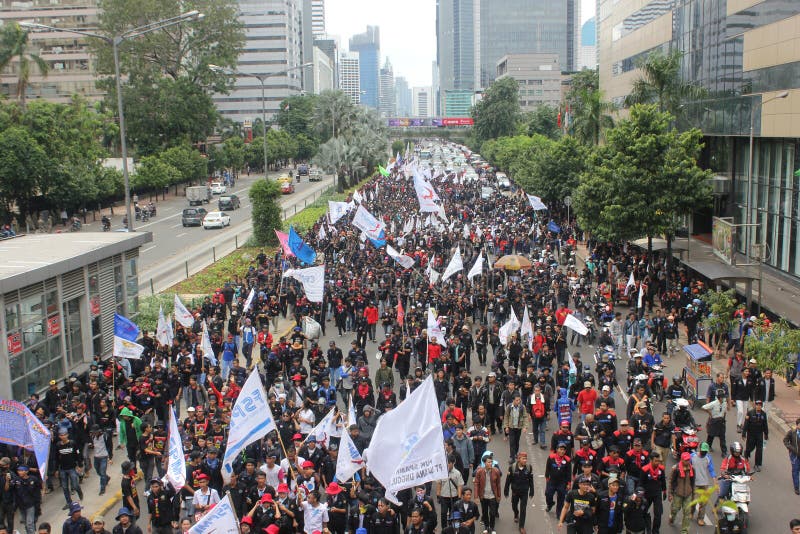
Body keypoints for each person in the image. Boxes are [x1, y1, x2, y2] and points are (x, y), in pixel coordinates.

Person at [503, 451, 534, 534]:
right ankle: (516, 514)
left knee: (523, 509)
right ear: (518, 459)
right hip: (515, 492)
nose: (525, 460)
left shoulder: (529, 467)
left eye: (526, 459)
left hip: (524, 492)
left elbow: (531, 480)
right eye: (523, 459)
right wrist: (506, 491)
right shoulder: (512, 467)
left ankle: (521, 526)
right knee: (514, 505)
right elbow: (508, 480)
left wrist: (532, 491)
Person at [473, 452, 501, 534]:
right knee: (484, 512)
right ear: (484, 463)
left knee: (492, 513)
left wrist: (499, 495)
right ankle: (486, 526)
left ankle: (492, 527)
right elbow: (476, 484)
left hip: (493, 496)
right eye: (488, 462)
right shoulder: (479, 472)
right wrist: (476, 497)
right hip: (483, 496)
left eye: (491, 462)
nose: (490, 463)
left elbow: (498, 484)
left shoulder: (496, 471)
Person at [668, 452, 695, 534]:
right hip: (677, 493)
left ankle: (684, 530)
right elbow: (671, 482)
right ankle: (672, 517)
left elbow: (693, 483)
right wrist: (670, 493)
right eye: (686, 460)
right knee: (675, 509)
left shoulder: (692, 469)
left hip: (688, 494)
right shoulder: (676, 469)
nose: (687, 461)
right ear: (682, 459)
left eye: (688, 460)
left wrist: (693, 495)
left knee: (687, 512)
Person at [11, 465, 41, 534]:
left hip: (31, 504)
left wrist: (38, 503)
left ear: (26, 471)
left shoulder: (33, 479)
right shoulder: (16, 480)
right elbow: (10, 488)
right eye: (18, 471)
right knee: (25, 523)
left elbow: (38, 490)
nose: (19, 472)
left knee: (29, 523)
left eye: (22, 470)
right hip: (21, 505)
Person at [742, 399, 768, 471]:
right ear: (755, 405)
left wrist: (766, 434)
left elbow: (765, 424)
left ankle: (757, 464)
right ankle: (746, 453)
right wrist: (744, 433)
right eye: (757, 405)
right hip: (751, 434)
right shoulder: (750, 413)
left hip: (759, 434)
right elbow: (746, 424)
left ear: (761, 406)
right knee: (750, 447)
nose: (758, 406)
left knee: (759, 449)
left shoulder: (763, 414)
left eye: (760, 405)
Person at [702, 389, 729, 456]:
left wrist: (723, 419)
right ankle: (708, 447)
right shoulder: (714, 403)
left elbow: (725, 412)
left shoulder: (725, 403)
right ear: (719, 398)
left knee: (722, 437)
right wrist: (710, 413)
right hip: (714, 421)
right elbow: (704, 407)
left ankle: (724, 451)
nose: (724, 398)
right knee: (711, 435)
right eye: (722, 397)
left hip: (721, 421)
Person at [503, 394, 527, 462]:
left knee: (517, 442)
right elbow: (506, 416)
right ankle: (512, 457)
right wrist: (506, 427)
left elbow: (525, 416)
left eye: (519, 400)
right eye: (517, 400)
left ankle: (515, 453)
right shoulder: (509, 407)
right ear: (513, 400)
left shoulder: (522, 407)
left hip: (518, 427)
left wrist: (525, 427)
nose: (518, 401)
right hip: (511, 427)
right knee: (512, 442)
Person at [783, 417, 800, 495]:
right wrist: (791, 448)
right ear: (797, 425)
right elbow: (785, 440)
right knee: (795, 470)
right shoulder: (791, 432)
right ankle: (796, 487)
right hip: (795, 455)